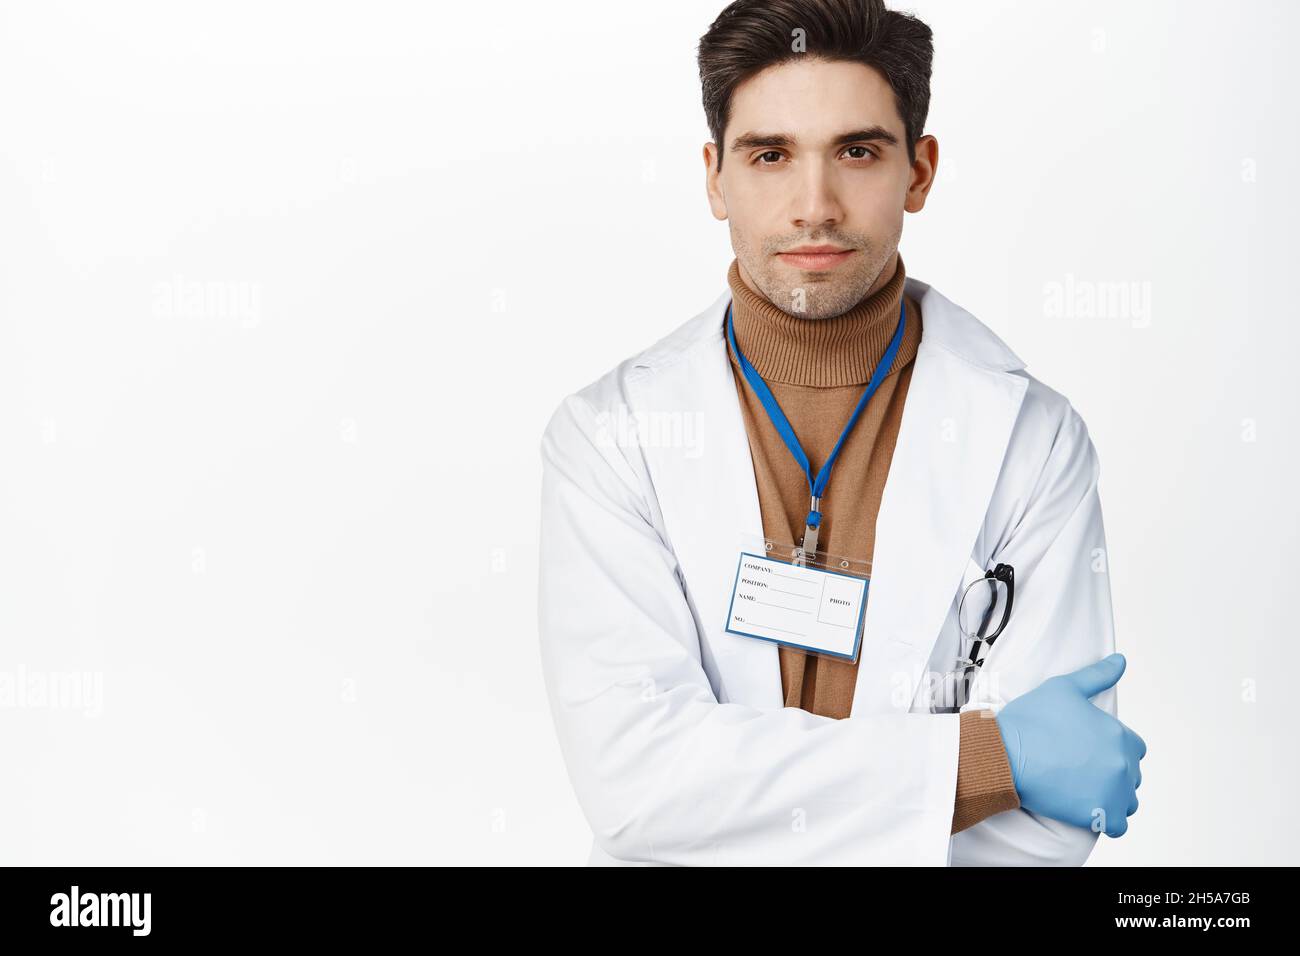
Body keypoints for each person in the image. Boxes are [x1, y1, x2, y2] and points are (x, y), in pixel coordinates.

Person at [537, 0, 1146, 866]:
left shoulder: (1032, 440)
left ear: (919, 171)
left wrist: (745, 802)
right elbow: (638, 783)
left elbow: (1041, 831)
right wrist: (992, 758)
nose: (813, 206)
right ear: (715, 177)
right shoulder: (610, 437)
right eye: (771, 155)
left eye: (857, 151)